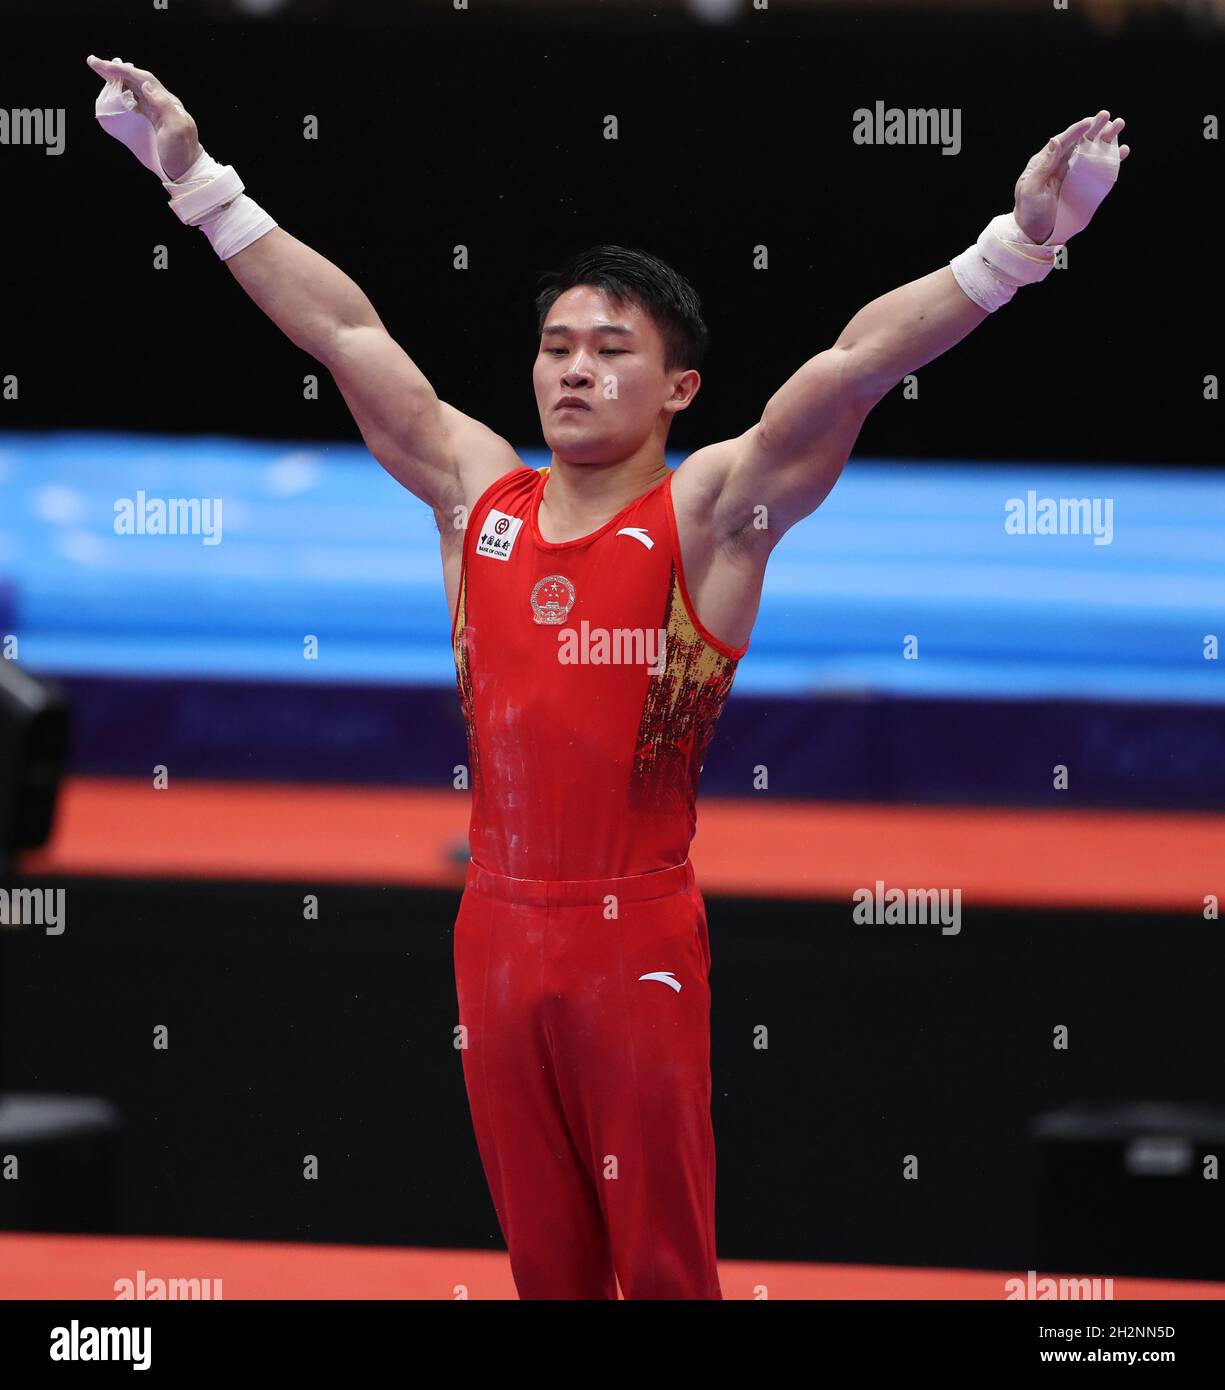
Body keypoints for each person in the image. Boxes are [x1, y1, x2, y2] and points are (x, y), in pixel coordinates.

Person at [86, 54, 1128, 1299]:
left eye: (610, 350)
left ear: (679, 388)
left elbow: (853, 367)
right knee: (549, 1274)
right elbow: (346, 332)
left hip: (631, 937)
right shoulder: (475, 494)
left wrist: (1015, 244)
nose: (573, 368)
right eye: (555, 347)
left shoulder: (709, 512)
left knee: (663, 1270)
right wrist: (199, 180)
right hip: (492, 935)